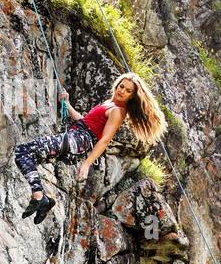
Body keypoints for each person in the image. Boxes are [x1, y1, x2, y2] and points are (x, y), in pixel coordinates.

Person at [13, 71, 167, 223]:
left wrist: (86, 164)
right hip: (76, 139)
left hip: (77, 142)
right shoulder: (108, 104)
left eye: (128, 91)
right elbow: (85, 122)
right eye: (121, 86)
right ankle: (42, 199)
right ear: (117, 85)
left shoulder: (118, 111)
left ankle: (39, 197)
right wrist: (67, 104)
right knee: (23, 155)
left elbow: (105, 139)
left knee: (23, 151)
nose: (122, 91)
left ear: (132, 96)